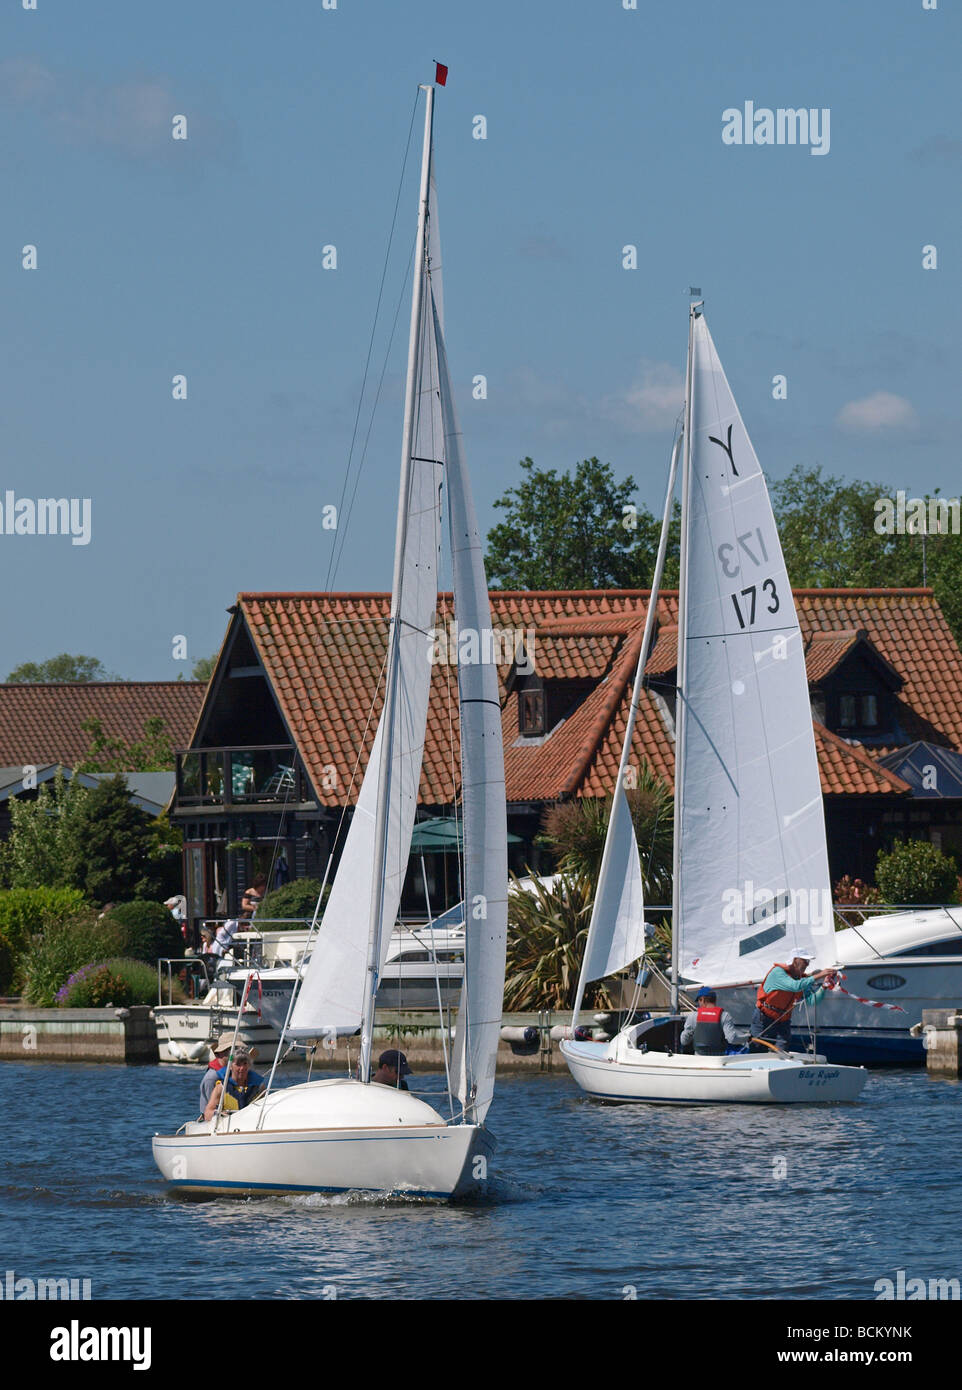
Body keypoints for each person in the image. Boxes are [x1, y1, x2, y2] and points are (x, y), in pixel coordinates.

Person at [750, 949, 837, 1052]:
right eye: (805, 961)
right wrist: (819, 975)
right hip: (764, 1019)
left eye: (808, 962)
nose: (807, 965)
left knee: (781, 1054)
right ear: (796, 961)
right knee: (758, 1051)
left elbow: (813, 1001)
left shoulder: (800, 979)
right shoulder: (778, 972)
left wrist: (824, 986)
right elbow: (795, 986)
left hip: (783, 1022)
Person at [203, 1047, 265, 1120]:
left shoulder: (260, 1087)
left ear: (249, 1066)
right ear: (230, 1066)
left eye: (245, 1064)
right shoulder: (221, 1088)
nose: (242, 1068)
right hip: (227, 1125)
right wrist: (218, 1114)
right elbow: (207, 1113)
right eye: (238, 1064)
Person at [680, 987, 743, 1055]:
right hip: (718, 1058)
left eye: (699, 1001)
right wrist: (746, 1038)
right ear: (715, 1000)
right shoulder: (725, 1016)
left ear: (703, 1000)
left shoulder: (693, 1016)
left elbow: (684, 1041)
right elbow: (732, 1039)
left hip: (699, 1058)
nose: (699, 1004)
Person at [198, 1032, 239, 1117]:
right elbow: (211, 1111)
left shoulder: (235, 1071)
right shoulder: (212, 1078)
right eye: (234, 1050)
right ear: (221, 1052)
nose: (238, 1054)